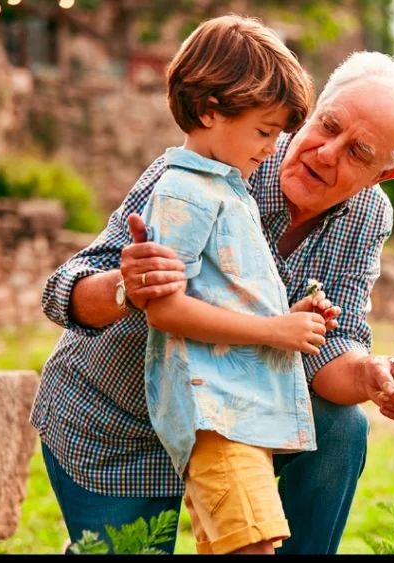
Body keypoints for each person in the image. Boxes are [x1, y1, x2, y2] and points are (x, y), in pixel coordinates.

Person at [32, 48, 394, 554]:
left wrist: (374, 375)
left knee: (340, 425)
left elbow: (333, 347)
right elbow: (64, 289)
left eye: (358, 153)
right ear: (312, 110)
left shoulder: (367, 215)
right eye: (328, 127)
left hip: (237, 419)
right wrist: (127, 287)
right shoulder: (210, 163)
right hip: (122, 418)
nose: (327, 153)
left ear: (383, 175)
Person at [135, 15, 328, 555]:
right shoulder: (184, 192)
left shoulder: (227, 187)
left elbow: (222, 294)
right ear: (208, 110)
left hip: (239, 411)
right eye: (264, 132)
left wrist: (295, 318)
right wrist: (274, 331)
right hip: (216, 417)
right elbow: (165, 311)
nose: (272, 148)